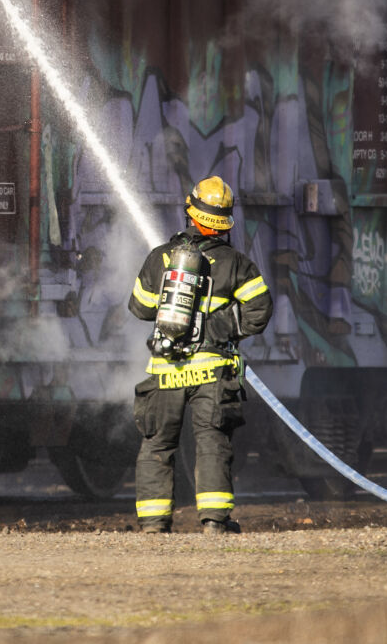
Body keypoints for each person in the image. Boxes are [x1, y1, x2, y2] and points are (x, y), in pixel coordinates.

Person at [127, 176, 271, 534]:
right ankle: (213, 523)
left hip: (166, 370)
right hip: (212, 372)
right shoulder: (236, 262)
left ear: (190, 211)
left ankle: (153, 526)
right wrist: (223, 327)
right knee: (212, 444)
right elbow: (260, 311)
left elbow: (140, 308)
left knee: (157, 444)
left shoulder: (160, 257)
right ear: (225, 220)